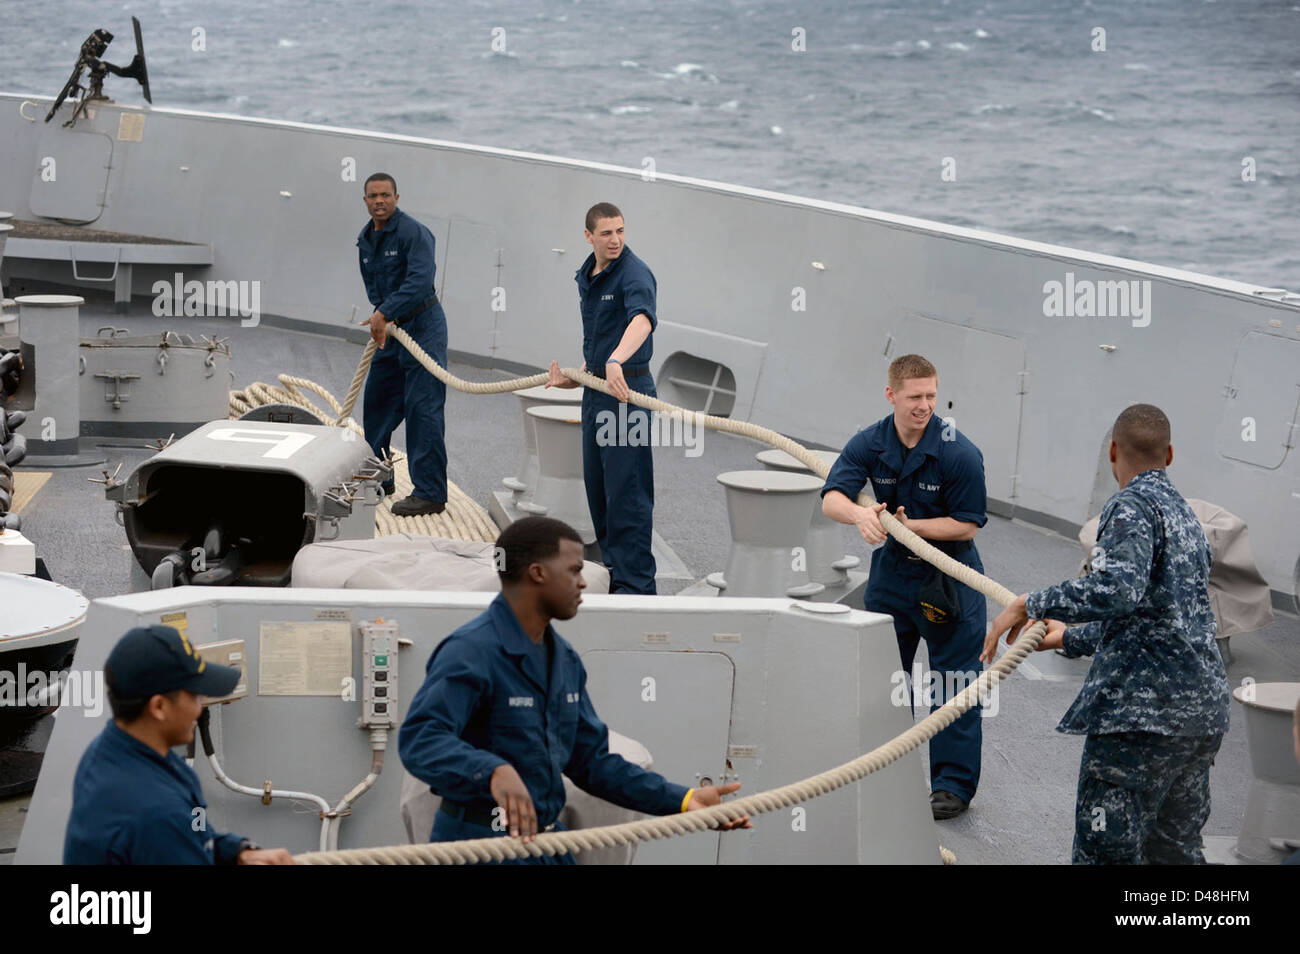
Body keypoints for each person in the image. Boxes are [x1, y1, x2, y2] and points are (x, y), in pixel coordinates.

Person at [398, 516, 750, 864]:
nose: (582, 583)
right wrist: (491, 770)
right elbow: (421, 740)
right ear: (537, 573)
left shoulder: (563, 659)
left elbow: (591, 761)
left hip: (544, 844)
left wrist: (684, 800)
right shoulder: (471, 652)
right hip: (480, 849)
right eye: (574, 570)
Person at [982, 403, 1231, 865]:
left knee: (1105, 854)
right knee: (1174, 854)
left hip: (1141, 723)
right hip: (1200, 718)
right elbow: (1158, 615)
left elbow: (1118, 589)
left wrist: (1029, 603)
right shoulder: (1188, 518)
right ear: (1170, 454)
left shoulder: (1130, 505)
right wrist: (1068, 636)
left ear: (1112, 451)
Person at [820, 354, 988, 820]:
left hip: (948, 577)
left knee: (952, 683)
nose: (925, 405)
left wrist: (909, 527)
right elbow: (833, 495)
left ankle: (951, 785)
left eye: (932, 395)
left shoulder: (959, 453)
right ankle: (883, 770)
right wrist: (860, 516)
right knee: (883, 677)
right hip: (893, 576)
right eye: (915, 396)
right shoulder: (870, 442)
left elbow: (968, 525)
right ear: (891, 395)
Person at [63, 625, 294, 865]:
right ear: (159, 707)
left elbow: (196, 832)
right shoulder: (156, 812)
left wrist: (238, 852)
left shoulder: (115, 749)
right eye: (195, 696)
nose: (201, 705)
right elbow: (174, 830)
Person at [546, 202, 658, 594]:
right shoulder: (588, 274)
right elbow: (601, 335)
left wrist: (615, 360)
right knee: (600, 490)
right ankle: (615, 571)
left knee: (628, 494)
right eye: (607, 233)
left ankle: (637, 587)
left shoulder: (635, 272)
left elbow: (641, 319)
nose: (616, 240)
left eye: (621, 231)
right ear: (589, 236)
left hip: (627, 394)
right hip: (597, 392)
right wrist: (578, 378)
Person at [357, 172, 448, 517]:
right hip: (390, 331)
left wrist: (385, 312)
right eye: (373, 196)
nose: (379, 201)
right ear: (365, 201)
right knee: (378, 403)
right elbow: (374, 285)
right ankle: (382, 478)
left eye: (385, 195)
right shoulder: (365, 239)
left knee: (422, 409)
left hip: (423, 328)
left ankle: (430, 493)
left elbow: (420, 281)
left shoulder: (414, 233)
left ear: (397, 197)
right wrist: (383, 316)